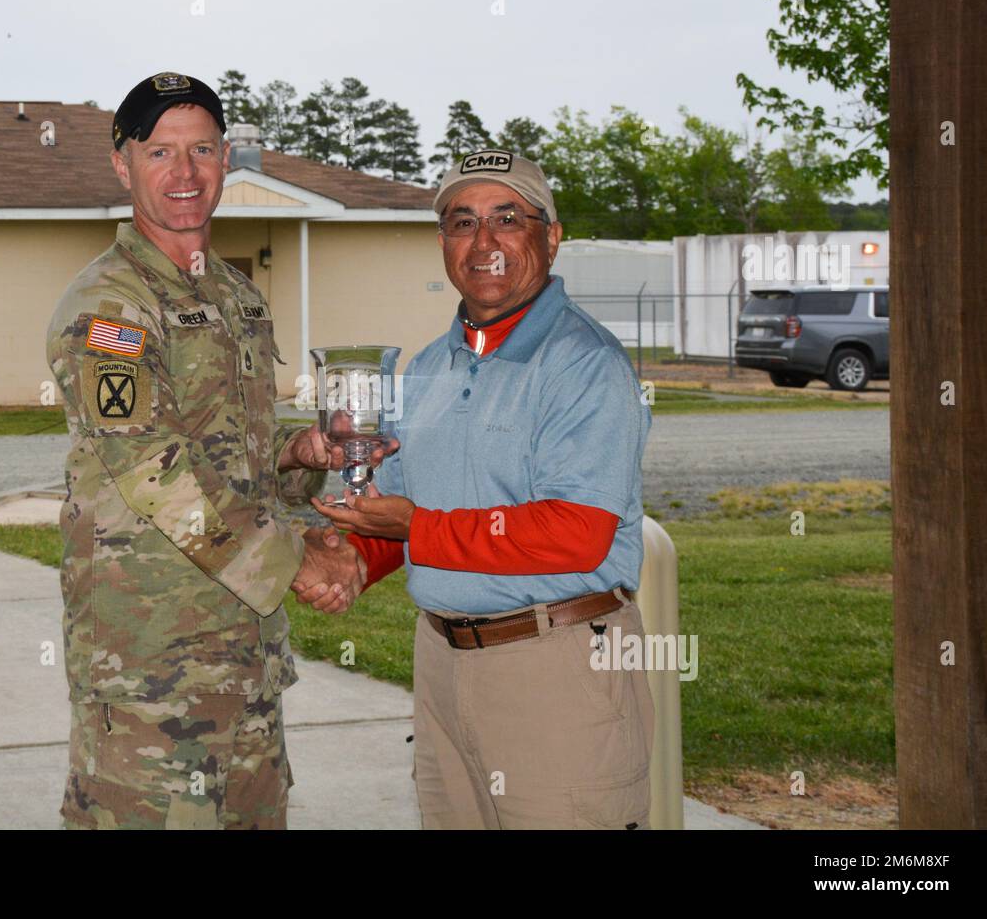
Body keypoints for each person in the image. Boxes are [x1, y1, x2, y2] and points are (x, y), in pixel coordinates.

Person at [45, 71, 366, 829]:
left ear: (227, 160)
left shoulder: (234, 297)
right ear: (122, 164)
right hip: (150, 666)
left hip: (243, 657)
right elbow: (153, 469)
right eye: (161, 152)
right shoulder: (109, 308)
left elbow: (232, 455)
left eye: (202, 150)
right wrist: (297, 559)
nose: (184, 173)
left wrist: (300, 454)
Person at [301, 149, 656, 829]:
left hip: (556, 668)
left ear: (549, 237)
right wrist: (352, 559)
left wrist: (415, 528)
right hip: (441, 663)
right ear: (443, 244)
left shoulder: (586, 365)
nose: (484, 241)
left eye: (507, 219)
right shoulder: (430, 367)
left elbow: (576, 533)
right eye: (462, 222)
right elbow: (400, 510)